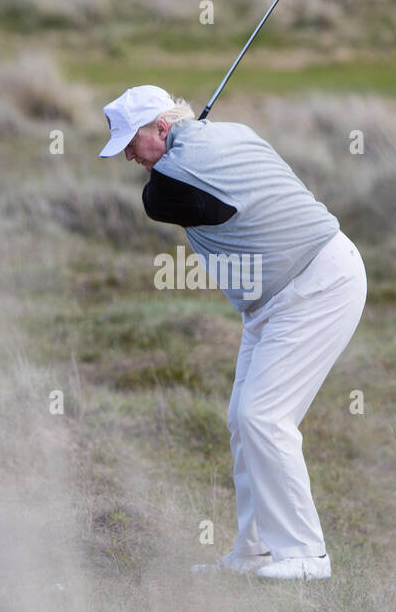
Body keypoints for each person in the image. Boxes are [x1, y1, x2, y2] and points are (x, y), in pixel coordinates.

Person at [100, 85, 367, 582]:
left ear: (162, 127)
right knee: (242, 421)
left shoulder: (185, 166)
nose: (130, 156)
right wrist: (181, 147)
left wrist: (179, 155)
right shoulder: (219, 139)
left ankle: (307, 556)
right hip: (273, 299)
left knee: (262, 415)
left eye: (133, 143)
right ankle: (256, 551)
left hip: (317, 282)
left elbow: (160, 203)